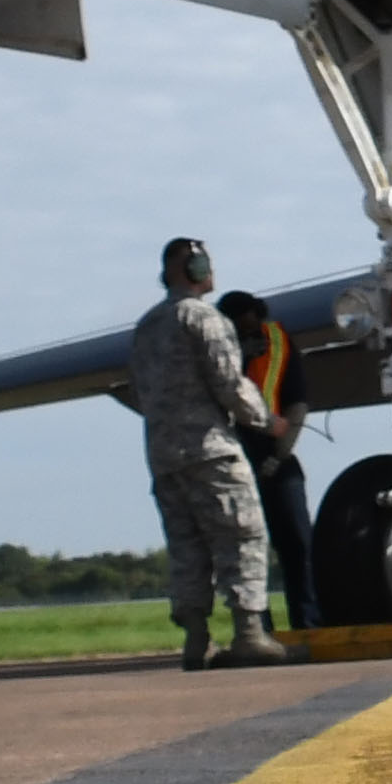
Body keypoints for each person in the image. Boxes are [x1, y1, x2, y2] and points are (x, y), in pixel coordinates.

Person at [122, 238, 294, 670]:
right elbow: (228, 383)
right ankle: (250, 634)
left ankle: (196, 639)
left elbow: (142, 392)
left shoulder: (146, 328)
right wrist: (265, 420)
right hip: (211, 451)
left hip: (164, 456)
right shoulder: (205, 319)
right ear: (194, 269)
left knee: (187, 546)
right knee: (242, 535)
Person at [217, 288, 318, 633]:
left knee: (298, 545)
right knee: (246, 550)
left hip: (277, 456)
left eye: (252, 327)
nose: (251, 336)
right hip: (235, 458)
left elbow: (297, 404)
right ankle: (257, 630)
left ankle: (309, 623)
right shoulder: (212, 352)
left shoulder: (279, 341)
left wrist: (280, 454)